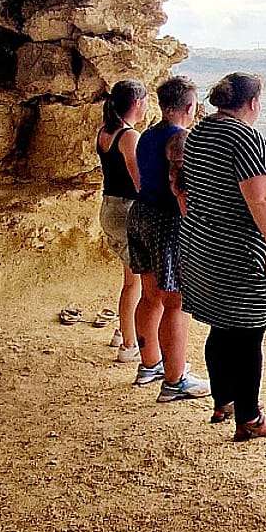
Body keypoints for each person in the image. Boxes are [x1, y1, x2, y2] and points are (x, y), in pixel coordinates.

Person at [180, 72, 266, 441]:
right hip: (238, 253)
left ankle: (223, 401)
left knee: (221, 327)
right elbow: (260, 199)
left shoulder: (200, 131)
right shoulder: (245, 138)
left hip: (202, 246)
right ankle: (250, 418)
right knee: (248, 333)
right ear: (253, 102)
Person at [126, 75, 210, 401]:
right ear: (189, 107)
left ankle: (150, 365)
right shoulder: (180, 140)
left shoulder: (146, 135)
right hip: (167, 222)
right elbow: (184, 189)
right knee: (176, 303)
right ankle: (175, 381)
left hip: (141, 214)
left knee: (150, 297)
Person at [96, 79, 148, 361]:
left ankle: (122, 329)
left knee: (129, 279)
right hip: (126, 210)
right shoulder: (129, 136)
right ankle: (129, 345)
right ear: (137, 103)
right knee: (134, 283)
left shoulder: (105, 131)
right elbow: (137, 178)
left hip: (108, 206)